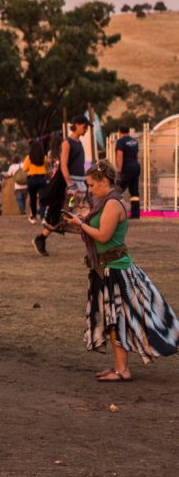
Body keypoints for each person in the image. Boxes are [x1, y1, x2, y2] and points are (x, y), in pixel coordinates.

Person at [62, 160, 178, 381]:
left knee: (118, 320)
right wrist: (77, 224)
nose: (91, 190)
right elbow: (96, 232)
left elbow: (103, 235)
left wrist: (81, 224)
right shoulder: (104, 202)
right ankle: (119, 367)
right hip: (106, 268)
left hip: (116, 271)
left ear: (105, 181)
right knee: (114, 321)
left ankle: (122, 369)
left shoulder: (113, 204)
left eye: (93, 185)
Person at [36, 117, 89, 256]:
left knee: (72, 214)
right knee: (67, 214)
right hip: (70, 185)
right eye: (84, 126)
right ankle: (41, 238)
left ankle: (41, 238)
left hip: (79, 183)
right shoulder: (67, 143)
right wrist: (70, 184)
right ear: (76, 125)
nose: (86, 129)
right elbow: (63, 165)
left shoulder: (79, 143)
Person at [114, 126, 142, 220]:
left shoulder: (121, 142)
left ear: (119, 132)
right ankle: (135, 214)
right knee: (134, 191)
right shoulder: (134, 141)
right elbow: (136, 155)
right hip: (136, 167)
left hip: (127, 168)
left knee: (117, 189)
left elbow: (120, 156)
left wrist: (118, 171)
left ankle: (113, 211)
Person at [23, 140, 48, 225]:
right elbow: (46, 167)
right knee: (42, 199)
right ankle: (43, 218)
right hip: (42, 178)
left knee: (33, 199)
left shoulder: (28, 157)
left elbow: (24, 169)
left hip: (32, 179)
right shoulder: (44, 157)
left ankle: (33, 216)